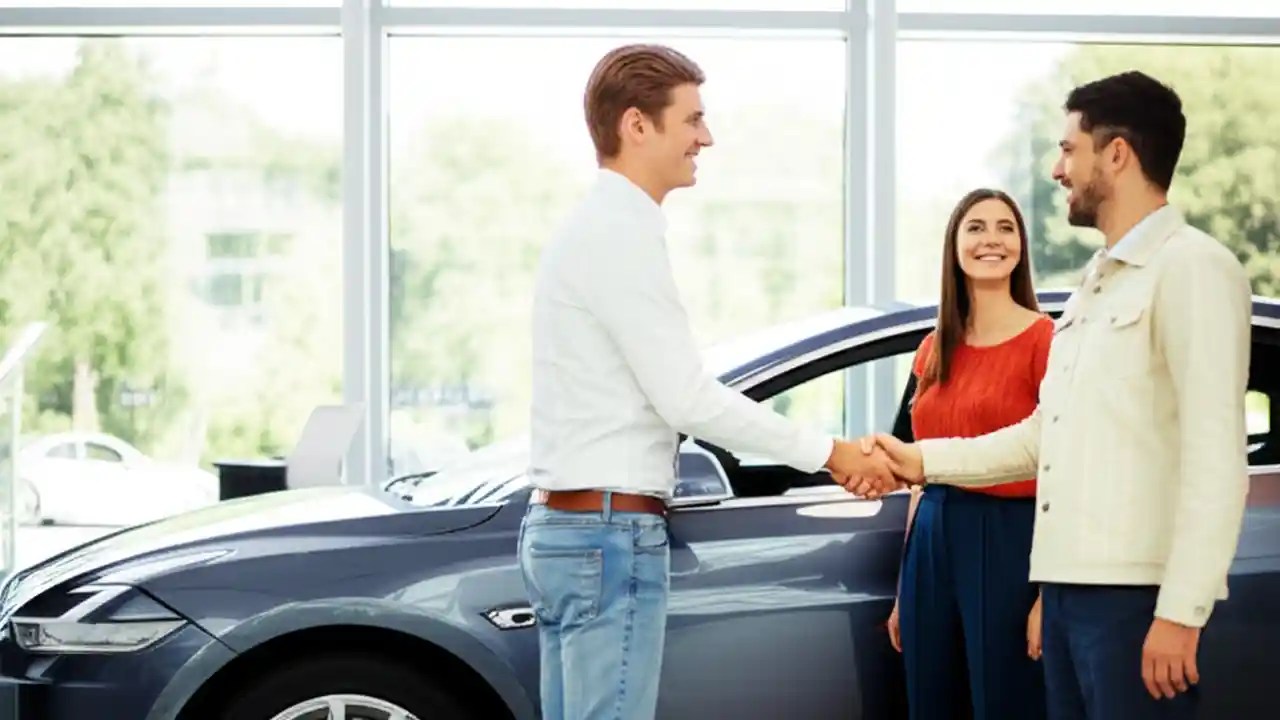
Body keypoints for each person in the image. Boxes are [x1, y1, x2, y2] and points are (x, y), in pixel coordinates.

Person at [860, 71, 1253, 720]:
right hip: (1072, 590)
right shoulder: (1098, 285)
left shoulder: (1192, 268)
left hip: (1132, 597)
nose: (1056, 169)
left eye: (1069, 149)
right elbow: (1044, 437)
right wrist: (919, 460)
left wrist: (1183, 612)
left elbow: (1216, 459)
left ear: (1117, 153)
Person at [519, 43, 894, 720]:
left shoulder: (597, 228)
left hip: (576, 530)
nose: (706, 137)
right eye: (692, 119)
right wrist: (832, 454)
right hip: (607, 536)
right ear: (637, 125)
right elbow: (686, 396)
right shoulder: (618, 234)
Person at [886, 188, 1052, 720]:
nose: (991, 240)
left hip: (1011, 541)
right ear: (954, 246)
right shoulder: (933, 348)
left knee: (1003, 703)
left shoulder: (1045, 340)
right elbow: (920, 468)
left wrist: (1052, 595)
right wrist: (903, 589)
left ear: (1021, 247)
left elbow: (1066, 471)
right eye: (976, 227)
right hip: (932, 539)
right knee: (931, 703)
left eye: (1005, 228)